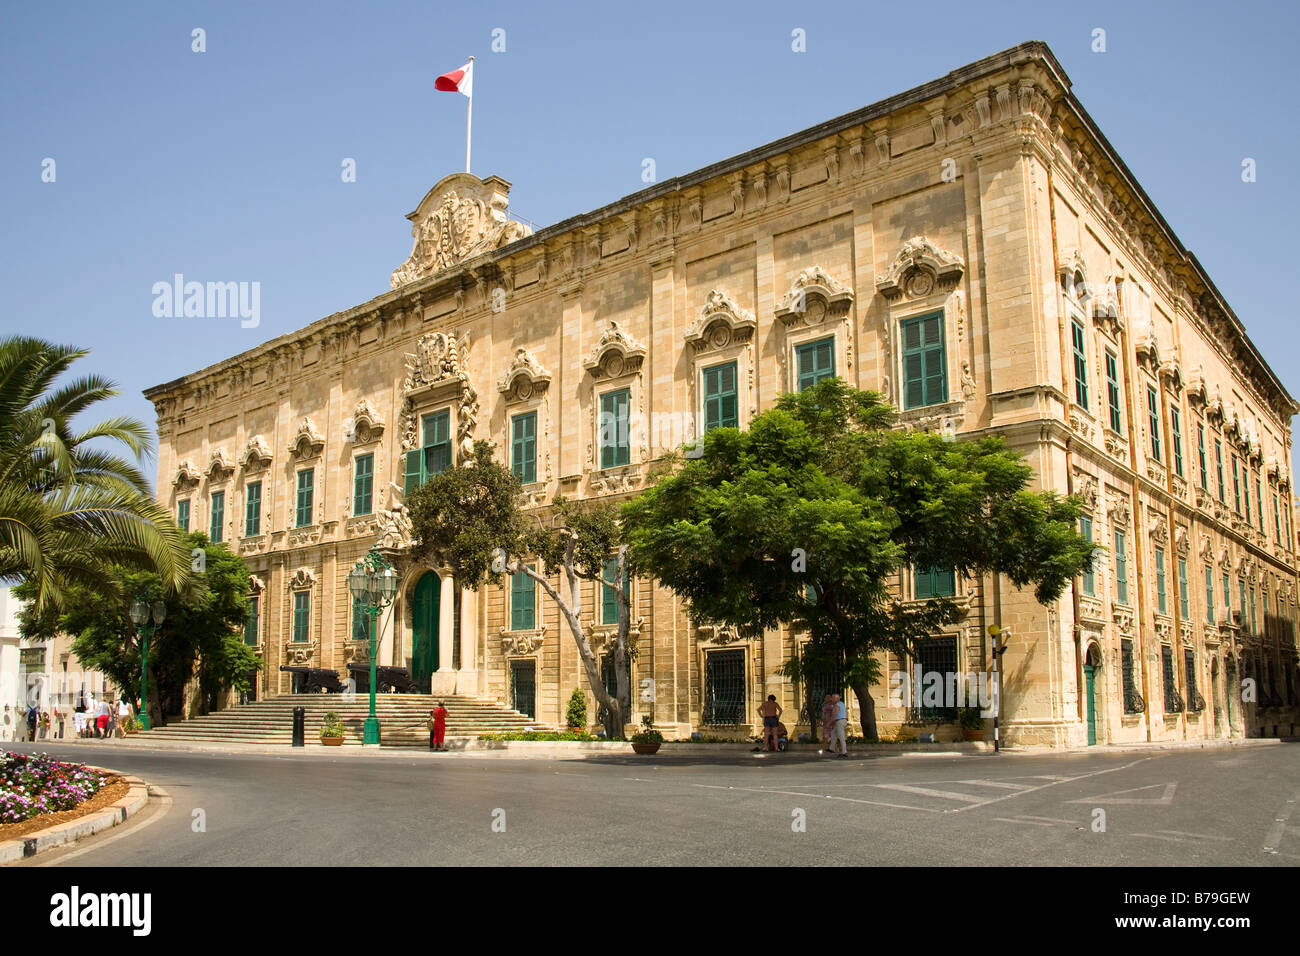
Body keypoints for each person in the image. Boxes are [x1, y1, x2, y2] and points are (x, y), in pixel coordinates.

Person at [830, 693, 849, 758]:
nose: (832, 699)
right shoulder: (842, 704)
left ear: (837, 699)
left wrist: (830, 722)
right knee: (833, 733)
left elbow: (835, 714)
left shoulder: (837, 705)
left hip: (839, 721)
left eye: (833, 698)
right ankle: (831, 748)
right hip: (841, 721)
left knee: (841, 736)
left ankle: (844, 752)